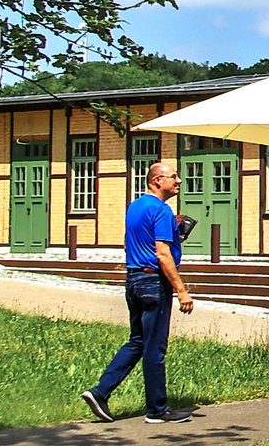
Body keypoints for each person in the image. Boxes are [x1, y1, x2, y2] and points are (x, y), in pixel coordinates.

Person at [82, 161, 196, 424]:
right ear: (157, 180)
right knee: (155, 347)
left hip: (134, 279)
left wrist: (174, 236)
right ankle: (157, 410)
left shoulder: (135, 207)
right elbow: (162, 254)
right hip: (154, 283)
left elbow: (137, 241)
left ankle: (100, 392)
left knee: (138, 341)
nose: (178, 181)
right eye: (173, 177)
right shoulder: (160, 209)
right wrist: (182, 291)